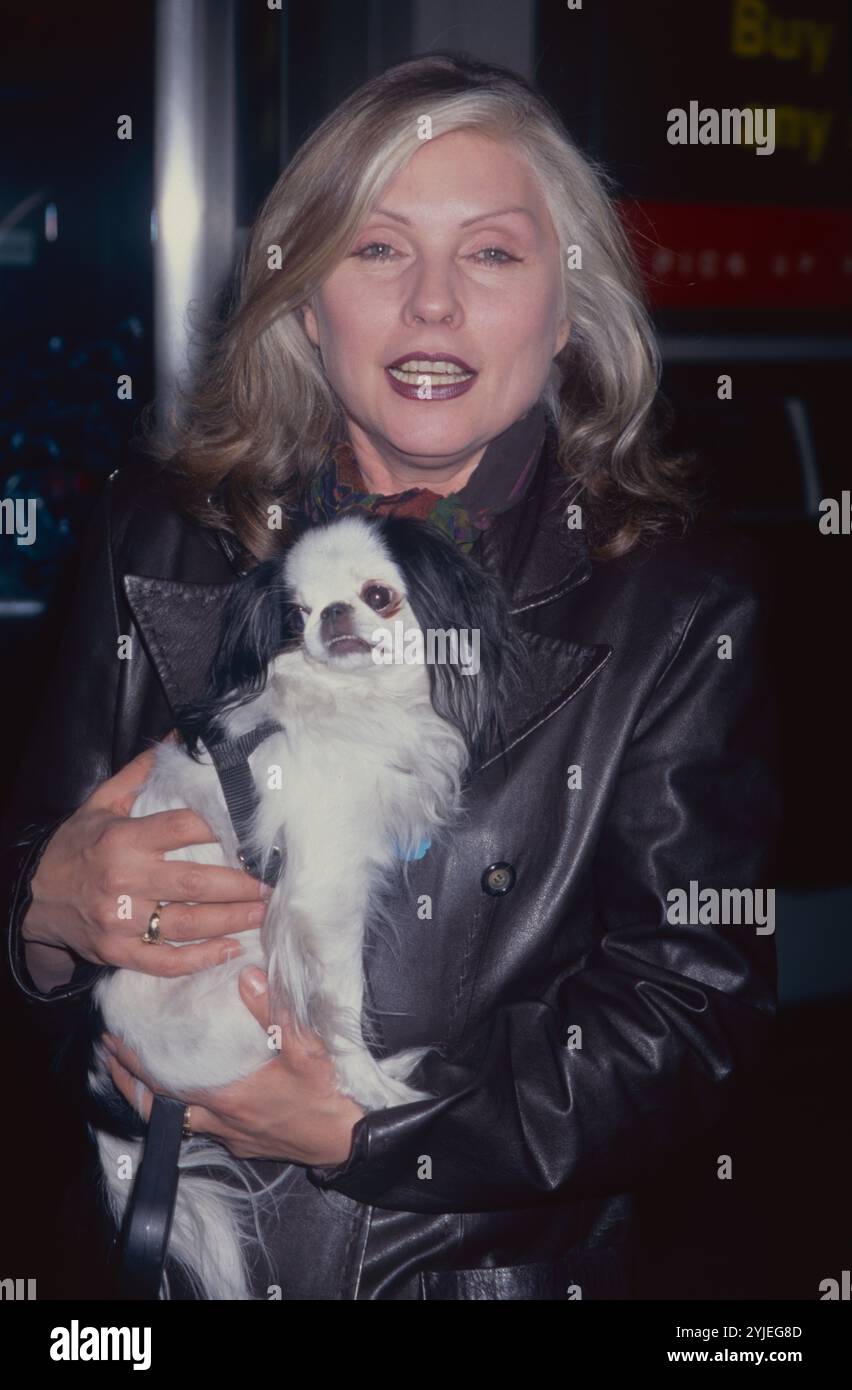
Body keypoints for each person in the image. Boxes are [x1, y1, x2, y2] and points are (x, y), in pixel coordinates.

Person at [1, 53, 780, 1301]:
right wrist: (41, 913)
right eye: (375, 250)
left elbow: (691, 1020)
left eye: (490, 254)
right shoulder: (156, 533)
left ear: (566, 308)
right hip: (158, 1264)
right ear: (306, 301)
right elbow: (34, 881)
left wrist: (372, 1132)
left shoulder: (678, 609)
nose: (431, 307)